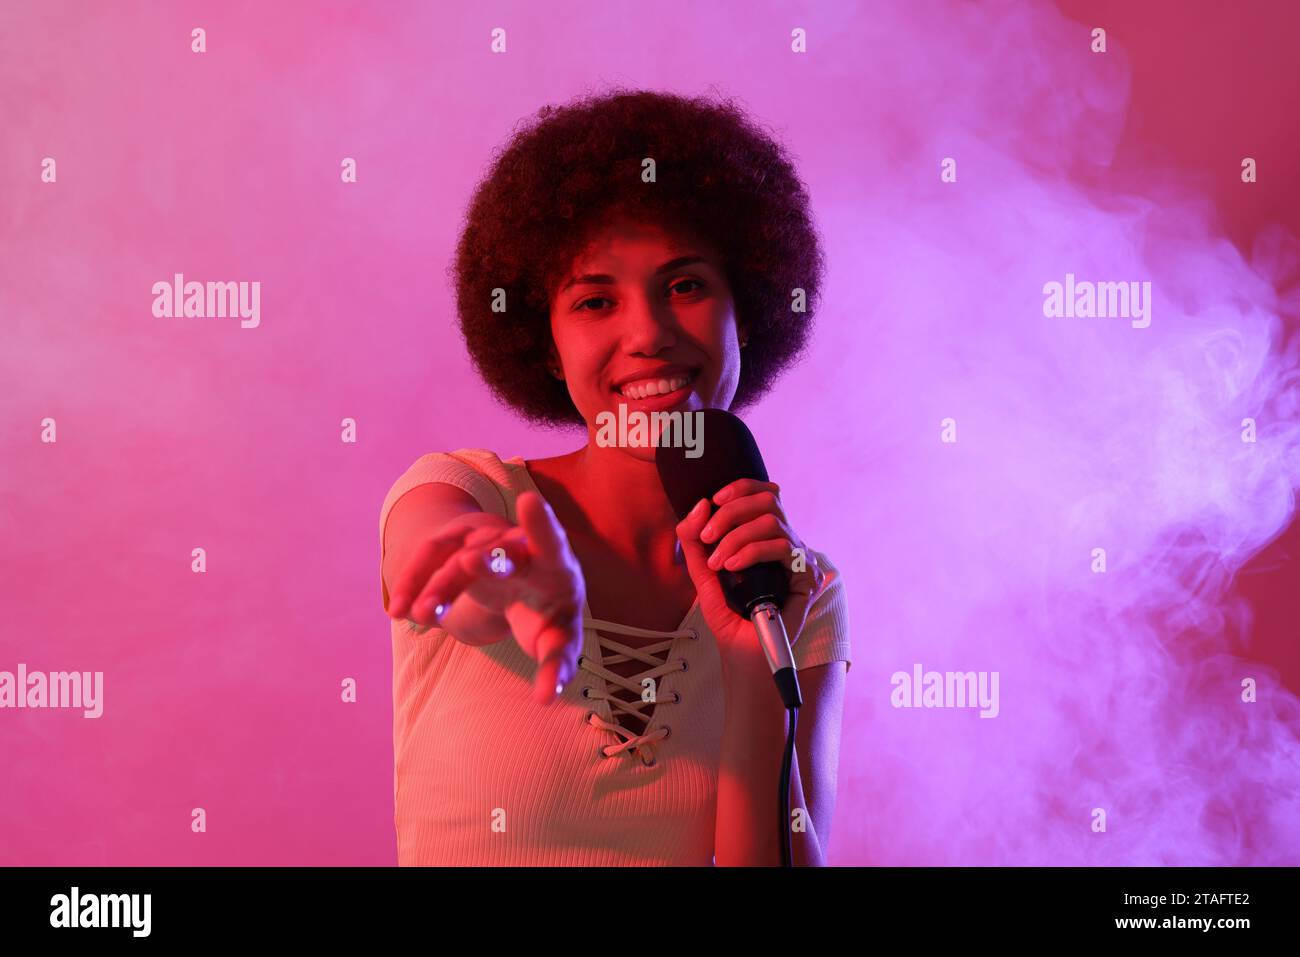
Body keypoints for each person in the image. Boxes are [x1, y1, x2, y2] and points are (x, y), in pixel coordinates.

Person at [378, 89, 851, 866]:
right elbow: (435, 557)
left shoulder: (799, 594)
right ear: (546, 343)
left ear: (748, 310)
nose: (649, 334)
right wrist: (495, 572)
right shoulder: (466, 490)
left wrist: (751, 668)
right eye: (596, 300)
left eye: (687, 286)